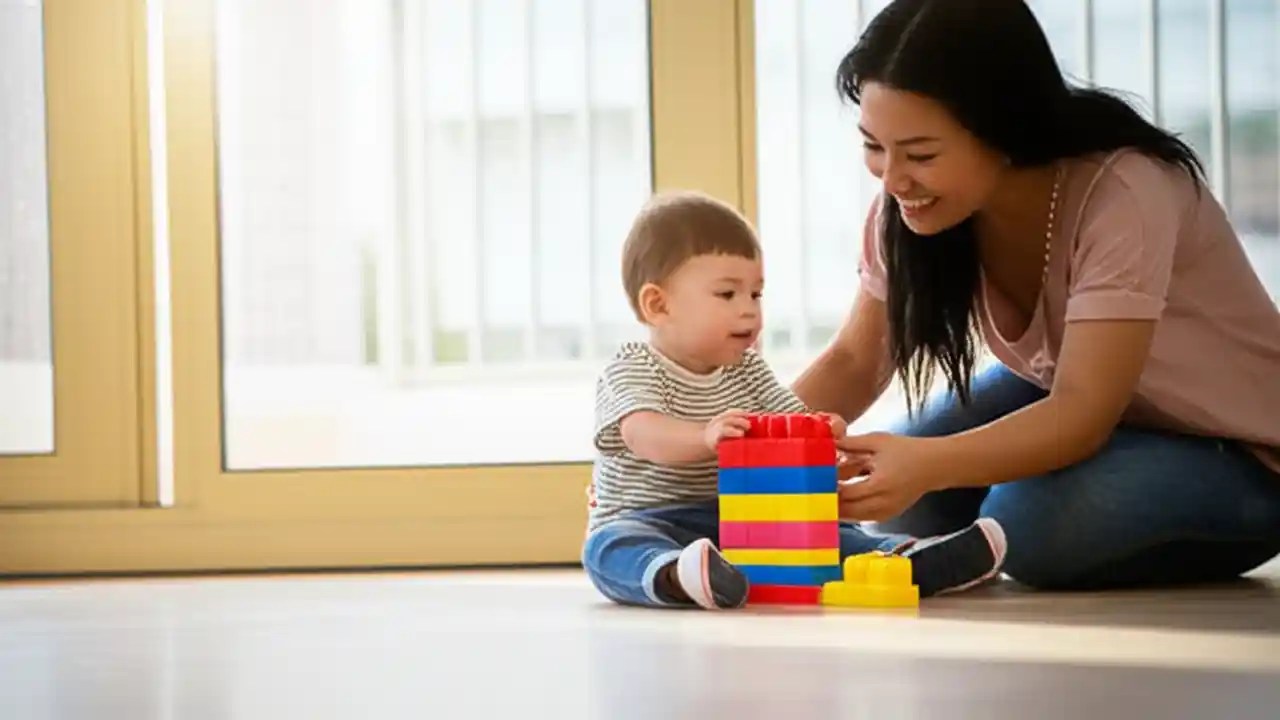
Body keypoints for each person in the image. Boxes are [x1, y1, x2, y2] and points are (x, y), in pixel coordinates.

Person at [791, 0, 1280, 591]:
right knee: (904, 502)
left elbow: (1081, 412)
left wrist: (928, 465)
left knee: (1024, 524)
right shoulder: (915, 210)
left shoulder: (1126, 191)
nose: (893, 180)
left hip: (1239, 446)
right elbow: (854, 359)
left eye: (920, 154)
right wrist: (734, 445)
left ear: (1003, 131)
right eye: (874, 146)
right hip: (1095, 404)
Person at [581, 190, 1008, 609]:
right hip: (650, 518)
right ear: (658, 304)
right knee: (611, 545)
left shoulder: (747, 369)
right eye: (728, 294)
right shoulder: (633, 367)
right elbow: (642, 433)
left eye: (756, 294)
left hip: (738, 519)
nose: (749, 310)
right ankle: (673, 574)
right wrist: (704, 436)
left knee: (827, 534)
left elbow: (793, 419)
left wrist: (824, 434)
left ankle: (904, 560)